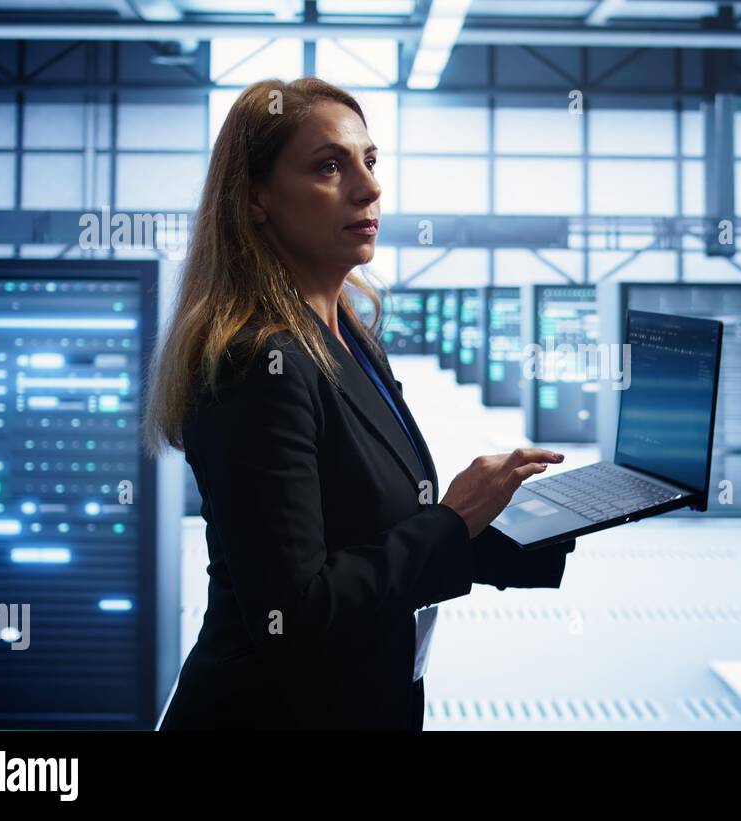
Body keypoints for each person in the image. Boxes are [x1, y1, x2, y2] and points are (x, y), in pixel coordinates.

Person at [144, 77, 575, 730]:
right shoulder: (258, 362)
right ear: (255, 198)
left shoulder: (350, 338)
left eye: (370, 161)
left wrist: (547, 525)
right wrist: (454, 520)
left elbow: (375, 532)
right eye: (328, 166)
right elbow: (295, 610)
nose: (369, 187)